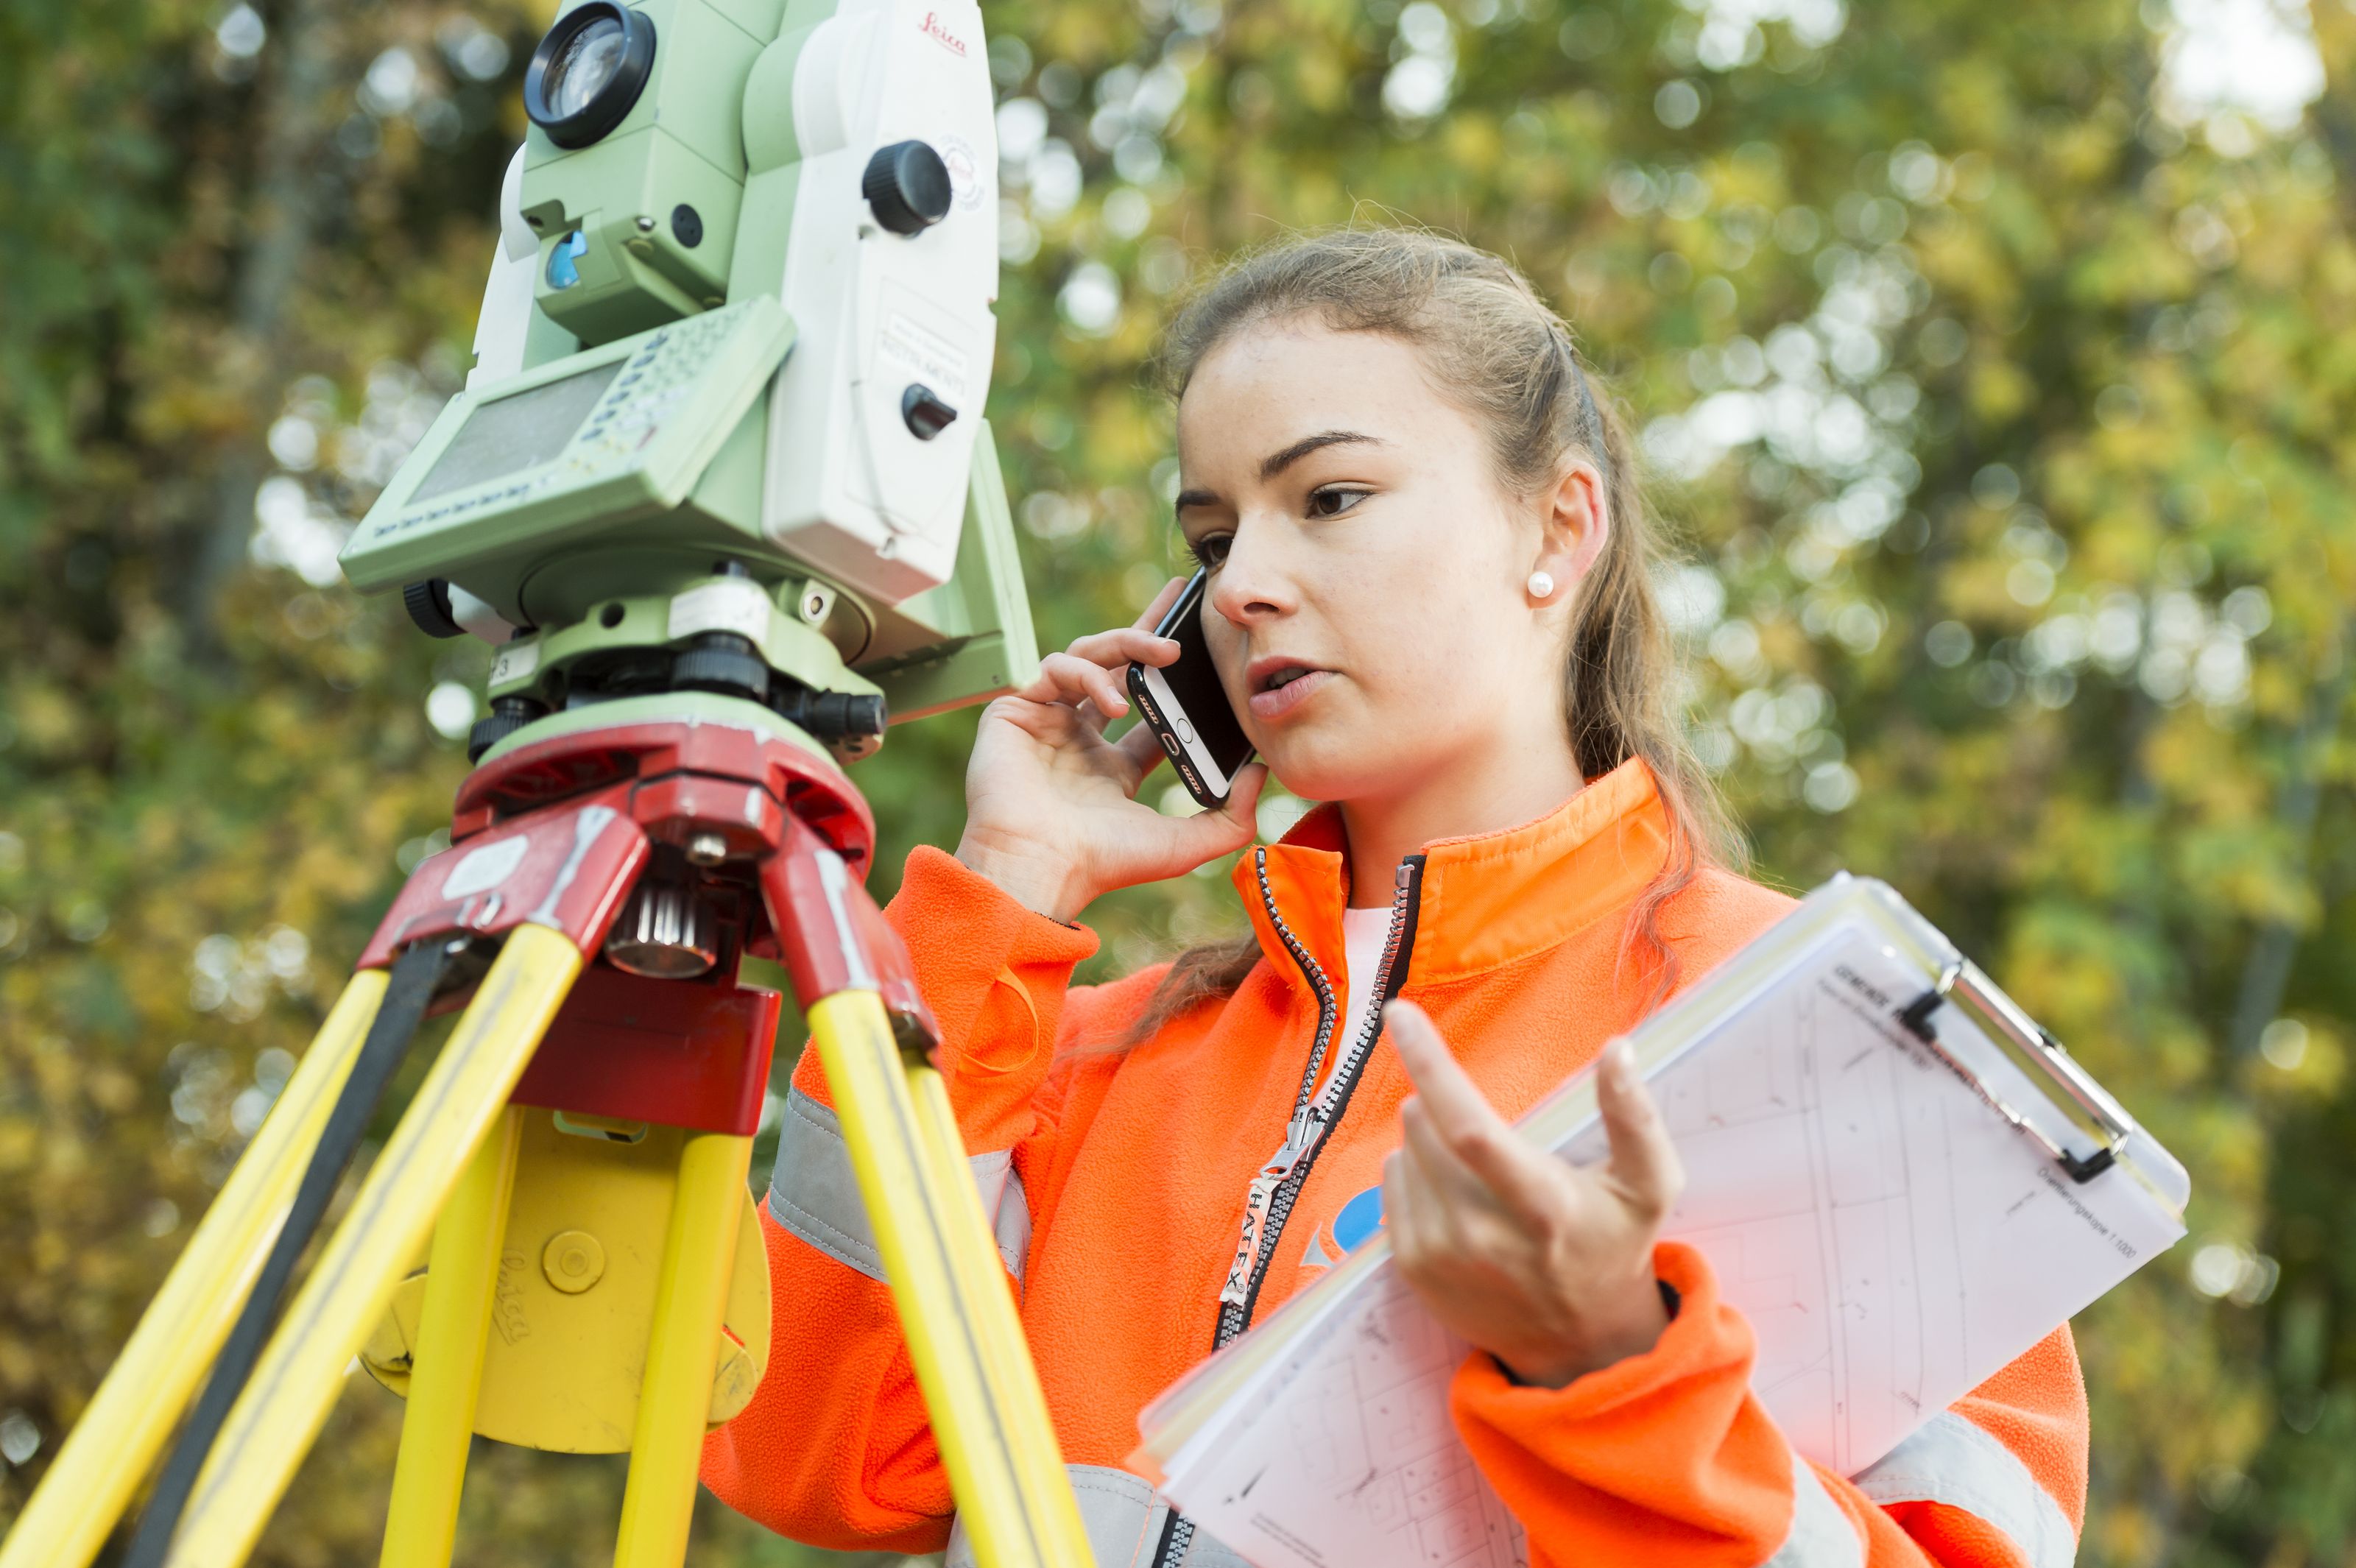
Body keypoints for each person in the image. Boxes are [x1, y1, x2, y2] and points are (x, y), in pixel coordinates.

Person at [702, 229, 2087, 1568]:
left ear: (1559, 524)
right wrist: (1007, 889)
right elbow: (803, 1450)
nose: (1242, 584)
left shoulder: (1836, 1025)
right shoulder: (1084, 1048)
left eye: (1329, 500)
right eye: (1211, 532)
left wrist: (1614, 1370)